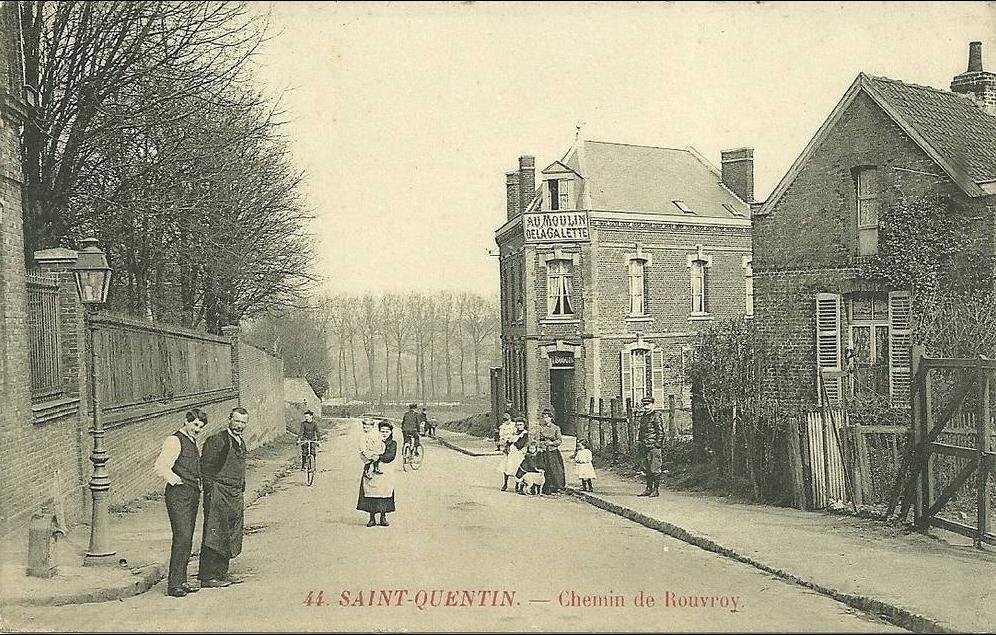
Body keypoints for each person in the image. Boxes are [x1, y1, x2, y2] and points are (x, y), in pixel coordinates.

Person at [154, 409, 208, 597]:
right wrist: (177, 481)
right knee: (182, 537)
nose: (197, 429)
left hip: (191, 495)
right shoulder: (174, 441)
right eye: (195, 424)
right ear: (186, 421)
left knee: (187, 538)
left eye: (200, 427)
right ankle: (174, 585)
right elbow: (160, 466)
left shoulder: (192, 441)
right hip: (178, 495)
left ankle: (182, 581)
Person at [198, 407, 250, 588]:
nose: (239, 426)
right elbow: (206, 469)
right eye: (236, 421)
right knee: (214, 533)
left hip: (234, 494)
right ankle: (207, 576)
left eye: (243, 422)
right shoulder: (217, 440)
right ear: (229, 419)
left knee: (229, 534)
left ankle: (221, 573)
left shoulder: (240, 442)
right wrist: (210, 493)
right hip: (218, 493)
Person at [356, 420, 397, 527]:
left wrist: (378, 457)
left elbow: (390, 456)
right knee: (371, 493)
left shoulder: (392, 443)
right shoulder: (372, 440)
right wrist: (368, 456)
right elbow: (364, 452)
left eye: (387, 431)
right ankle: (372, 518)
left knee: (385, 493)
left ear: (391, 432)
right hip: (372, 471)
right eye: (382, 431)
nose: (384, 434)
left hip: (385, 471)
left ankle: (383, 517)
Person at [636, 396, 665, 497]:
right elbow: (641, 431)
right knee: (646, 468)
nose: (646, 407)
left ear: (653, 404)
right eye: (644, 405)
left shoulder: (656, 416)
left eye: (648, 405)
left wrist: (657, 445)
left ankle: (656, 490)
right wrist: (640, 442)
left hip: (653, 447)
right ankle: (648, 489)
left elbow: (660, 432)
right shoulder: (643, 416)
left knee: (655, 469)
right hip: (644, 446)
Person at [534, 407, 566, 494]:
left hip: (553, 451)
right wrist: (540, 446)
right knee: (544, 468)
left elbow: (559, 440)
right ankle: (545, 488)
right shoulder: (540, 428)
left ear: (551, 418)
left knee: (555, 469)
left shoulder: (556, 428)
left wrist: (551, 443)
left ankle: (556, 487)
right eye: (544, 417)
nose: (545, 419)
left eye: (547, 417)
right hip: (543, 451)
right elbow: (537, 440)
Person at [500, 417, 528, 491]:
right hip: (511, 452)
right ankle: (505, 484)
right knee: (507, 467)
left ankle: (517, 485)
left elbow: (520, 445)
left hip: (518, 453)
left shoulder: (524, 433)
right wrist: (507, 444)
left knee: (516, 468)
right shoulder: (515, 432)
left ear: (524, 425)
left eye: (521, 425)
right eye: (517, 425)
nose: (519, 426)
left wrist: (513, 441)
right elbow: (508, 441)